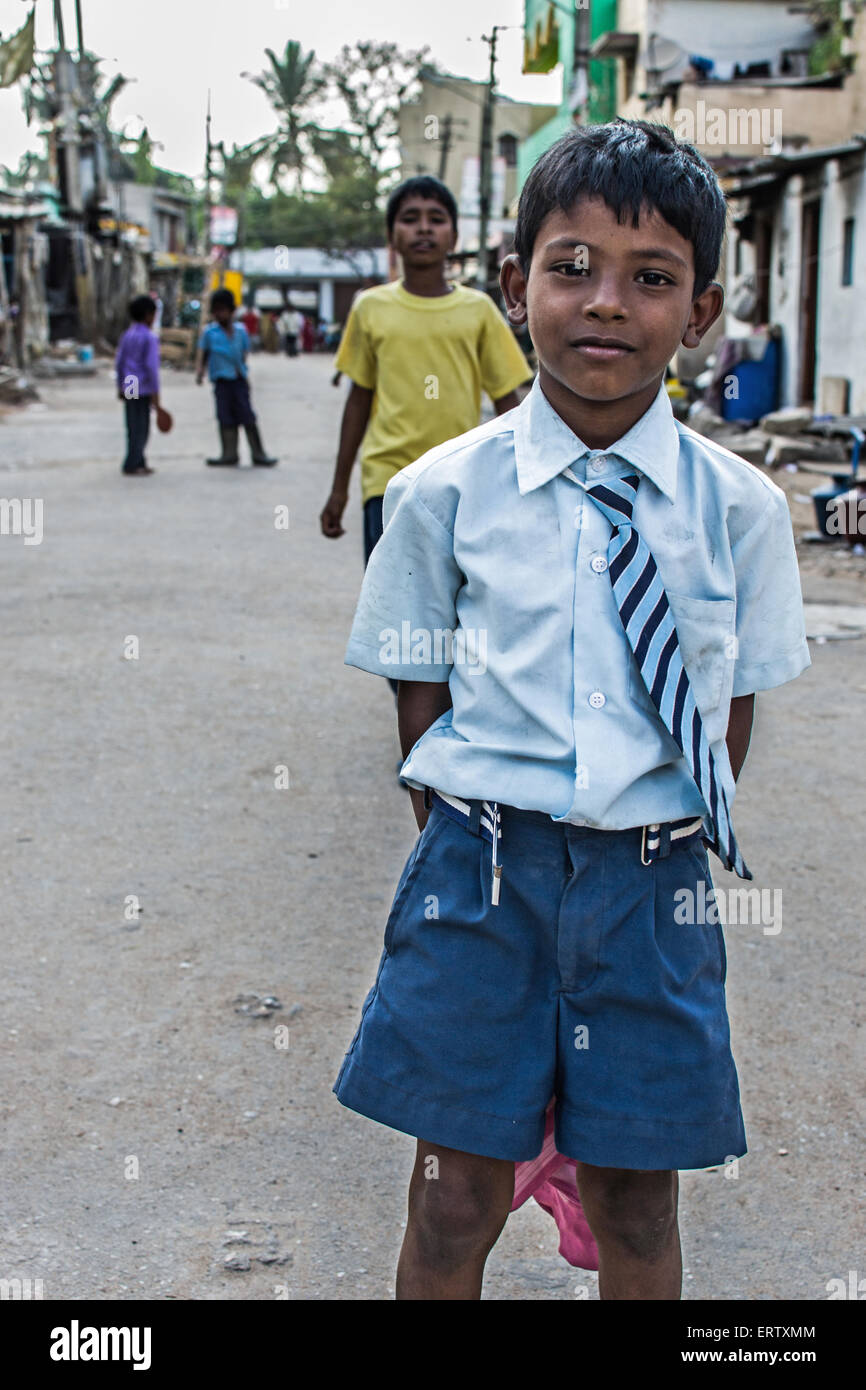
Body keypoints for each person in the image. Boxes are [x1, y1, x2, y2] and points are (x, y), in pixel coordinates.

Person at [332, 120, 811, 1300]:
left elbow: (728, 705)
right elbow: (418, 691)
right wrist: (466, 851)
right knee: (452, 1197)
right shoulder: (441, 493)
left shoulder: (740, 511)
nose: (605, 303)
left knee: (637, 1198)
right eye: (569, 267)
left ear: (698, 312)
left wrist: (669, 834)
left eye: (649, 279)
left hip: (650, 885)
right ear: (515, 287)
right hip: (479, 875)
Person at [319, 173, 532, 570]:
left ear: (452, 237)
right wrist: (339, 490)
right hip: (386, 483)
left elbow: (508, 403)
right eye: (410, 218)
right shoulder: (370, 307)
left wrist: (520, 484)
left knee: (458, 609)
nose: (423, 228)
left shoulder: (478, 310)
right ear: (391, 235)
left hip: (462, 483)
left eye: (436, 219)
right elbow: (358, 400)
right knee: (392, 610)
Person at [195, 288, 277, 467]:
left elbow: (244, 352)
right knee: (225, 416)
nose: (219, 314)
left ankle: (257, 453)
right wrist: (200, 372)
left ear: (231, 311)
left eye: (222, 310)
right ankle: (229, 453)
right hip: (221, 381)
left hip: (238, 378)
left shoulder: (240, 331)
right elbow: (203, 353)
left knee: (247, 415)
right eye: (216, 310)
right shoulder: (210, 333)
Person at [114, 294, 167, 476]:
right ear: (148, 315)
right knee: (142, 426)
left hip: (129, 381)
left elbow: (119, 361)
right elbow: (151, 367)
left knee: (132, 424)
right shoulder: (149, 338)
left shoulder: (127, 335)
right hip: (142, 383)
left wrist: (119, 385)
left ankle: (138, 460)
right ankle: (133, 462)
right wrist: (156, 391)